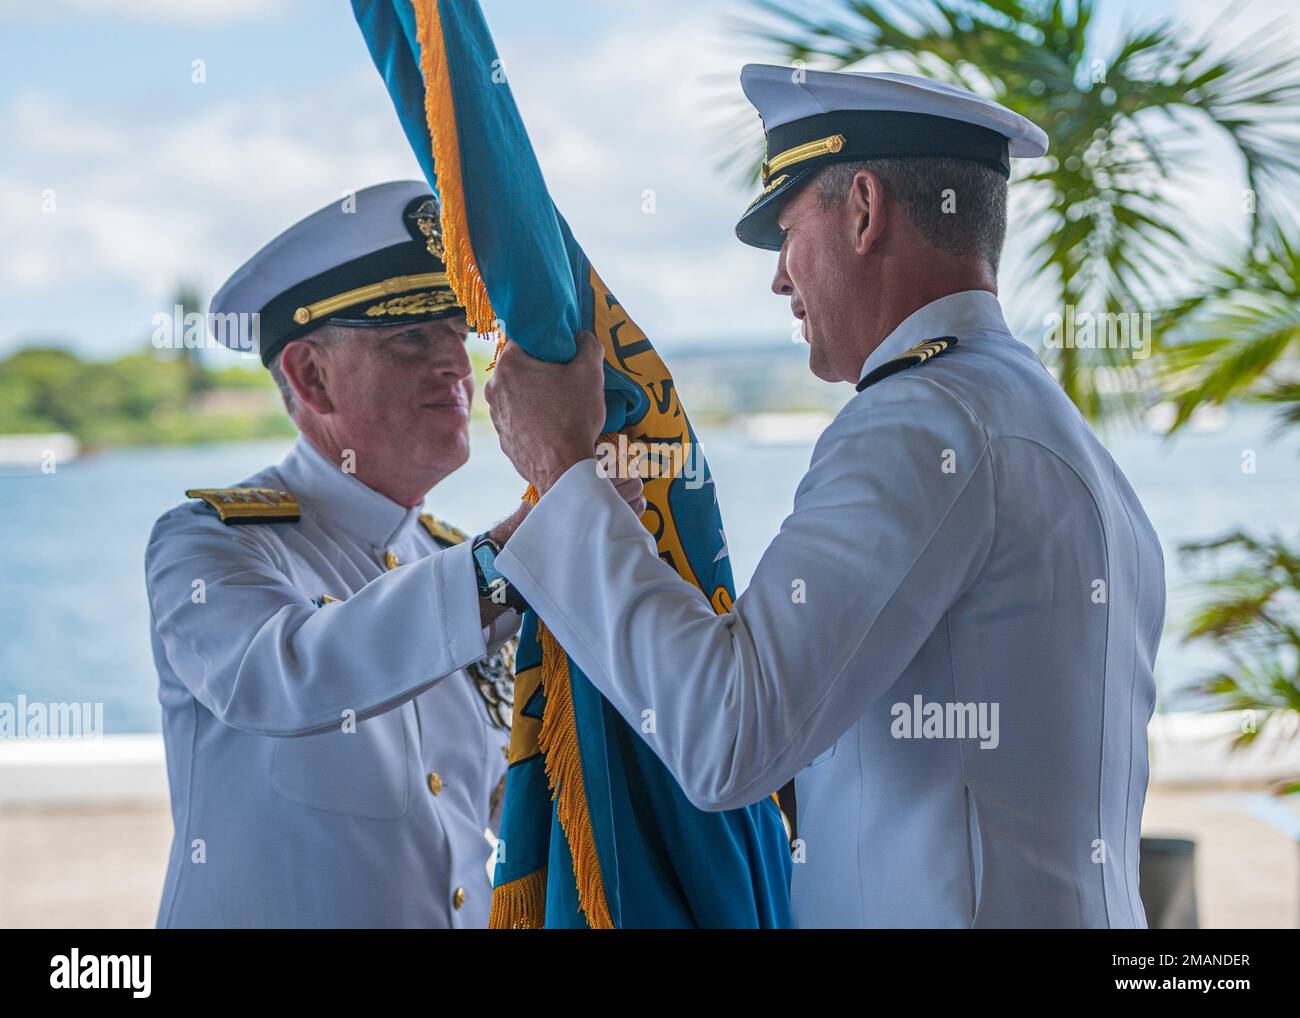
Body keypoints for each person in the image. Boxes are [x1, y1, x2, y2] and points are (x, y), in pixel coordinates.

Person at [482, 67, 1165, 928]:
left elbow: (729, 737)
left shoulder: (919, 422)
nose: (779, 278)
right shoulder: (1057, 432)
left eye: (787, 228)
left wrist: (564, 472)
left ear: (865, 209)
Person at [145, 181, 643, 927]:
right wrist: (520, 555)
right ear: (311, 376)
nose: (456, 365)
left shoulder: (443, 556)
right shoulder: (209, 542)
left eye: (457, 330)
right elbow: (291, 675)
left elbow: (499, 797)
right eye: (410, 336)